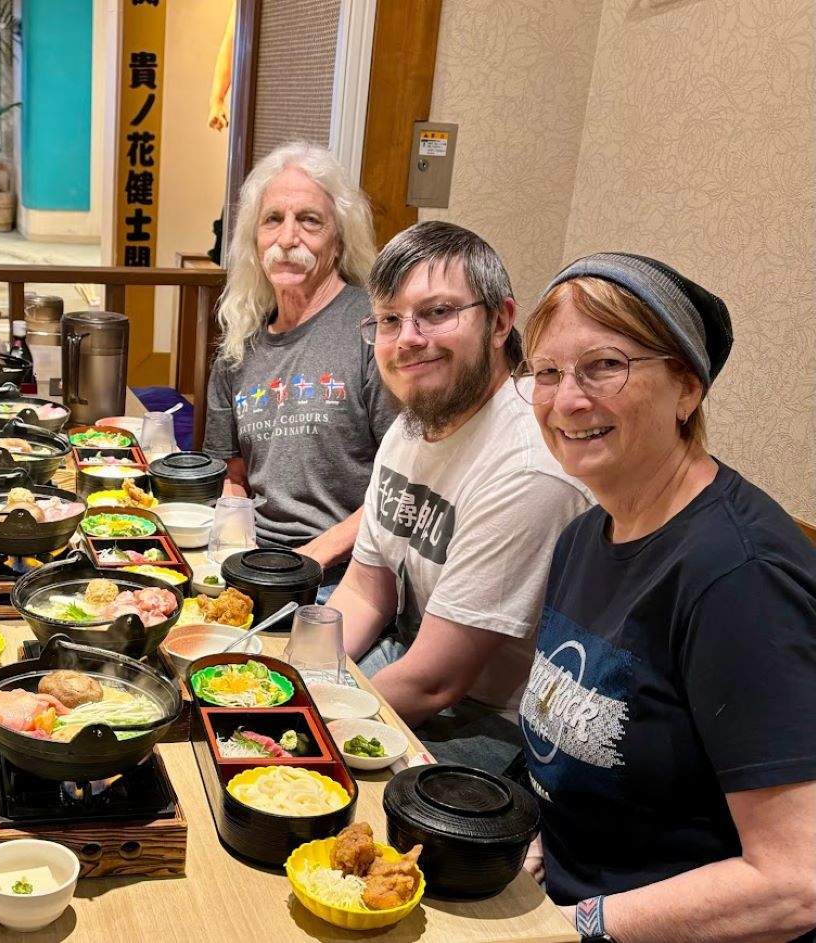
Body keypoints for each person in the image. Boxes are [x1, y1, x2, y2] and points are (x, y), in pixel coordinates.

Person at [516, 254, 816, 943]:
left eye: (604, 366)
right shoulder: (587, 534)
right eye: (548, 371)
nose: (567, 399)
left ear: (687, 386)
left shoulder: (740, 575)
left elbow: (796, 880)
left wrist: (573, 925)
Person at [330, 221, 591, 774]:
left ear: (500, 321)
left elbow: (436, 682)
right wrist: (302, 680)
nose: (407, 339)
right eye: (389, 320)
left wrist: (312, 725)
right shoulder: (415, 424)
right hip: (410, 660)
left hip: (499, 722)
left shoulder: (528, 466)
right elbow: (366, 590)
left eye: (437, 312)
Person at [202, 143, 398, 596]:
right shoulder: (238, 342)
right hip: (255, 563)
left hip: (347, 575)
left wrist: (307, 560)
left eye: (310, 221)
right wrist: (237, 549)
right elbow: (231, 472)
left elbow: (404, 484)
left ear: (339, 239)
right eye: (273, 220)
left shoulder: (375, 332)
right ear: (254, 239)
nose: (287, 239)